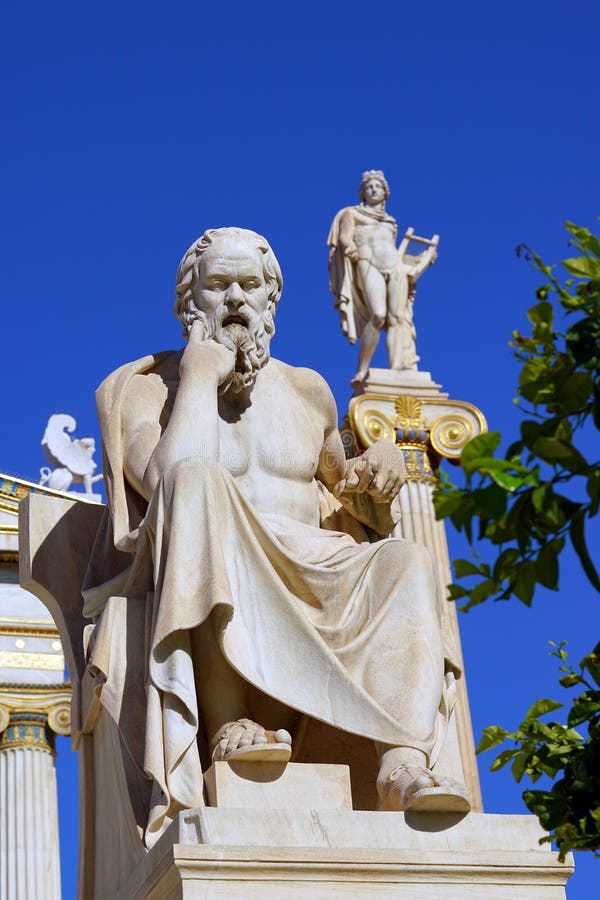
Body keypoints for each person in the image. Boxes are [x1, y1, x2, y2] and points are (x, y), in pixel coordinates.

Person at [84, 227, 468, 846]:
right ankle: (226, 721)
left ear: (271, 301)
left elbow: (346, 495)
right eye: (219, 284)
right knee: (199, 484)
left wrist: (380, 471)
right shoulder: (145, 388)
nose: (236, 298)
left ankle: (401, 760)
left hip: (311, 563)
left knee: (404, 560)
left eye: (250, 285)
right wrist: (202, 379)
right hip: (215, 556)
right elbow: (164, 484)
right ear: (191, 303)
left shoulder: (307, 390)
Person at [328, 170, 435, 383]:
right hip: (369, 264)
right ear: (362, 193)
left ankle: (398, 369)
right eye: (369, 187)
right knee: (378, 315)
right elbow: (344, 238)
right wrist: (349, 247)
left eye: (377, 186)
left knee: (398, 318)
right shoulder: (351, 213)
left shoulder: (390, 222)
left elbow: (395, 250)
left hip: (395, 267)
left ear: (385, 192)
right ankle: (362, 370)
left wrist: (422, 258)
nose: (373, 189)